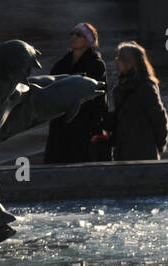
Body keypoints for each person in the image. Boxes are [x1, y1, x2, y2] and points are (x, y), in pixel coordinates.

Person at [42, 23, 108, 163]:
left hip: (84, 125)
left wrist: (99, 125)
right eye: (72, 33)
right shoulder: (61, 64)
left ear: (89, 40)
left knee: (81, 163)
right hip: (60, 124)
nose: (73, 37)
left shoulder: (96, 64)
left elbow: (99, 98)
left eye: (79, 34)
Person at [104, 41, 168, 161]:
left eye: (120, 58)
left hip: (143, 152)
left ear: (130, 63)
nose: (116, 61)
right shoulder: (119, 89)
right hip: (122, 152)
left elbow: (158, 118)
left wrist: (158, 145)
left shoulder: (146, 87)